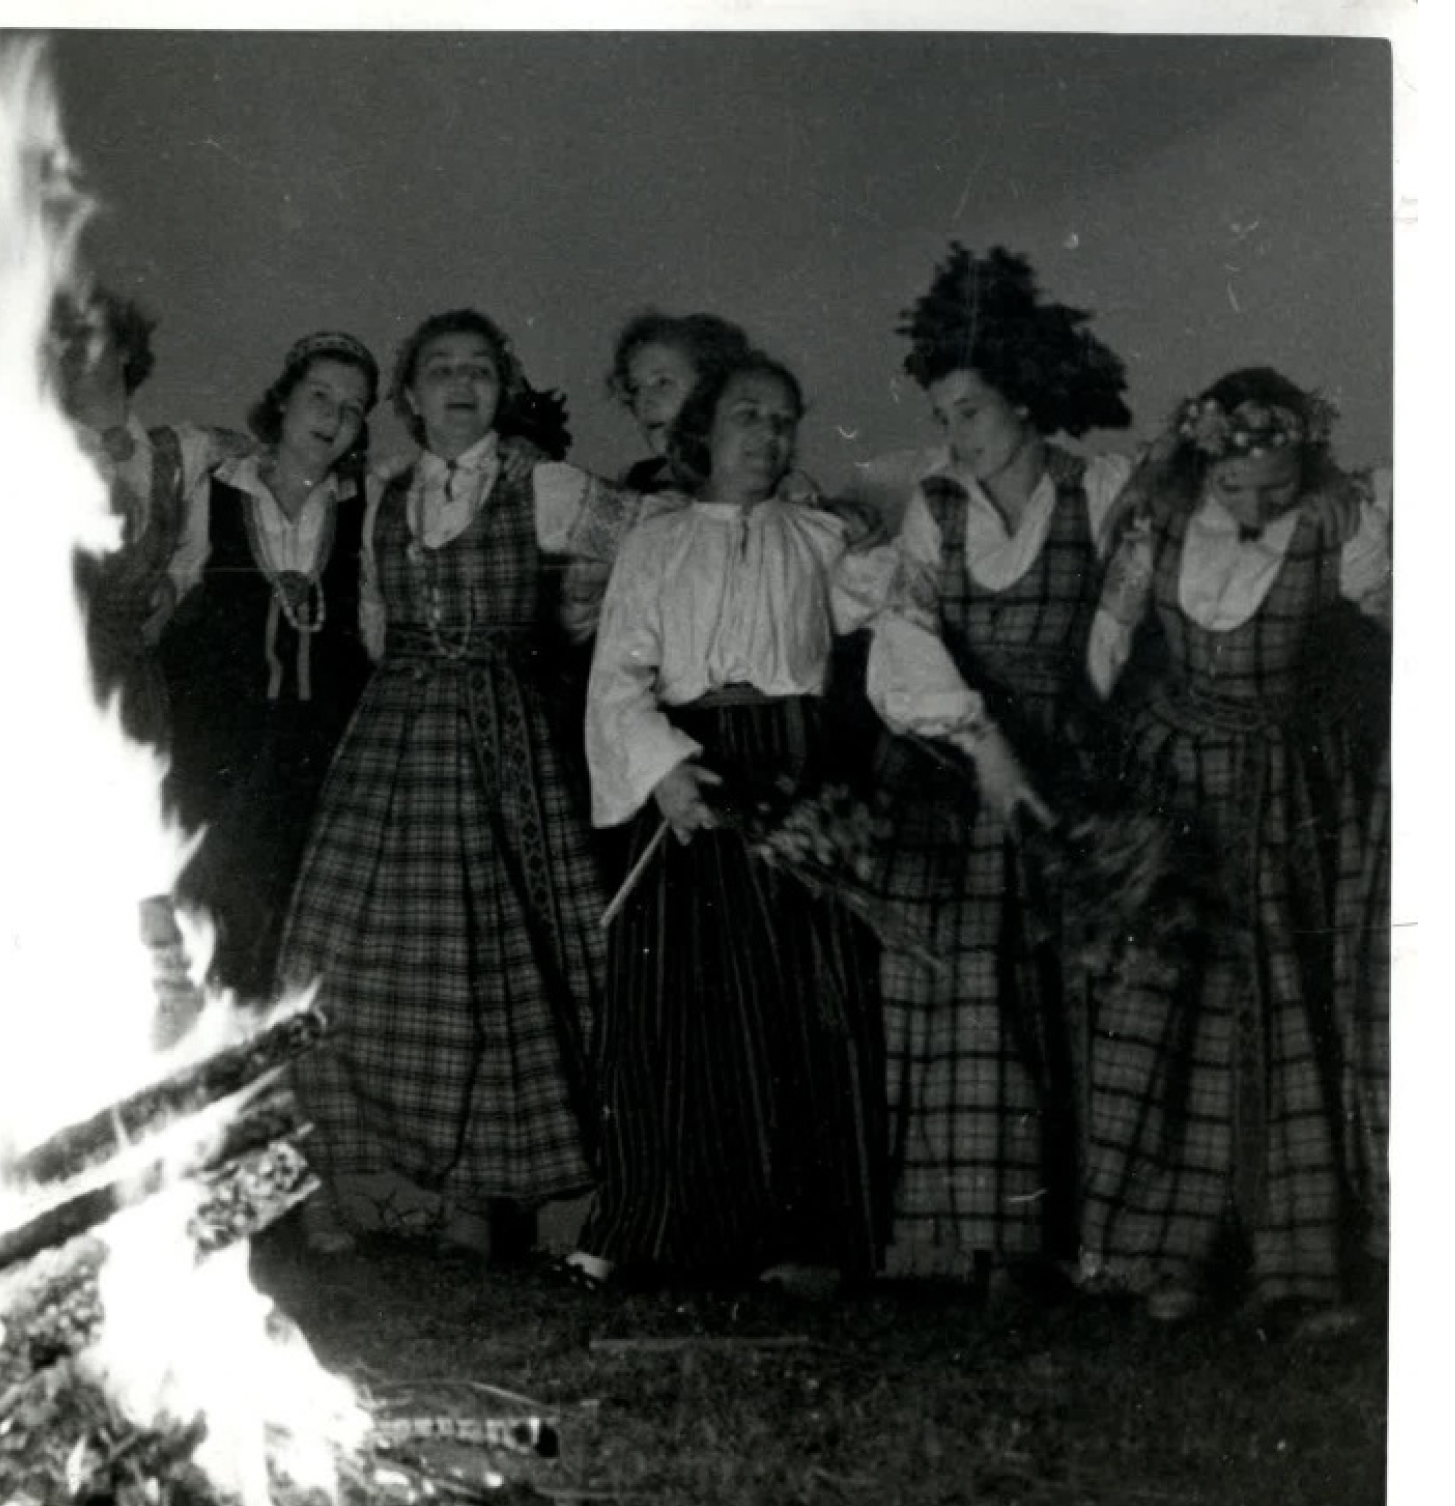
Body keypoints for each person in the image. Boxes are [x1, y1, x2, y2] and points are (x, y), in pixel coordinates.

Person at [276, 308, 657, 1258]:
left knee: (496, 964)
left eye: (479, 370)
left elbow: (655, 539)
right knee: (341, 952)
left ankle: (482, 1206)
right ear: (407, 398)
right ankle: (373, 1186)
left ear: (503, 387)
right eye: (440, 370)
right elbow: (370, 623)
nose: (460, 383)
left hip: (500, 738)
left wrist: (568, 617)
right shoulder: (390, 494)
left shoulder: (543, 481)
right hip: (396, 741)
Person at [581, 351, 925, 1290]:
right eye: (747, 416)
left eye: (783, 420)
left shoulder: (821, 540)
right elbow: (617, 678)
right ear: (702, 431)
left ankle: (802, 1239)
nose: (767, 436)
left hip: (792, 773)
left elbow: (890, 615)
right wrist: (665, 776)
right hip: (691, 779)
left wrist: (868, 544)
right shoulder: (655, 543)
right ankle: (658, 1226)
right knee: (677, 1009)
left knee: (794, 1009)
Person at [1078, 368, 1388, 1337]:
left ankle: (1292, 1264)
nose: (1254, 508)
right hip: (1172, 786)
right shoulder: (1157, 529)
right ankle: (1163, 1261)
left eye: (1276, 490)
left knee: (1277, 1002)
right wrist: (1108, 760)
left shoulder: (1338, 532)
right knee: (1170, 1005)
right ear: (1202, 467)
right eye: (1235, 490)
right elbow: (1106, 638)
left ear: (1307, 474)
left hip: (1279, 788)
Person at [867, 245, 1139, 1290]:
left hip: (1069, 757)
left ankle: (1095, 1243)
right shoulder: (933, 509)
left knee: (1085, 986)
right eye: (942, 416)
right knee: (972, 993)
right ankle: (985, 1247)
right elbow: (902, 636)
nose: (953, 434)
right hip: (962, 770)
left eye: (969, 410)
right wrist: (978, 741)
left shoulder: (1104, 491)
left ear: (1023, 398)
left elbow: (1127, 626)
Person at [158, 331, 378, 1002]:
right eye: (320, 396)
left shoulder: (367, 502)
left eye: (353, 407)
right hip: (221, 743)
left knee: (301, 915)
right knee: (214, 901)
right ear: (282, 401)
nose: (334, 417)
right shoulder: (215, 490)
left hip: (323, 746)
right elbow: (166, 594)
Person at [51, 285, 245, 744]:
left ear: (124, 351)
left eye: (86, 335)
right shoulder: (28, 454)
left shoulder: (182, 452)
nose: (70, 350)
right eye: (57, 341)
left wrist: (172, 586)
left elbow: (277, 458)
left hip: (128, 687)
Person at [605, 312, 753, 492]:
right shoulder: (637, 479)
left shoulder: (763, 481)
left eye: (663, 382)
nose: (643, 401)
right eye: (635, 389)